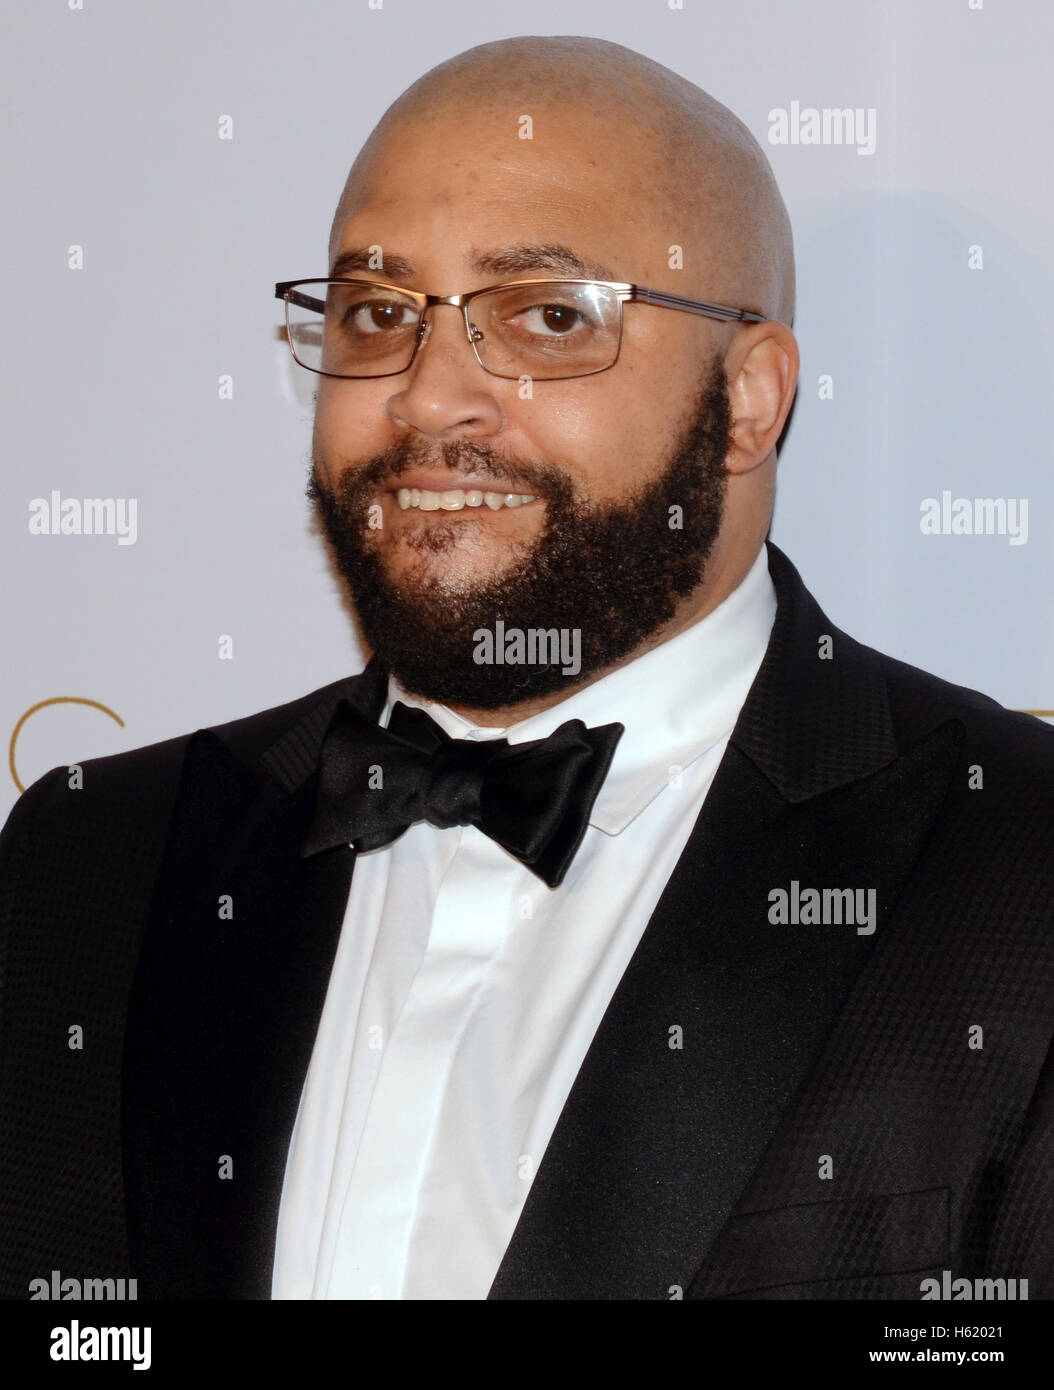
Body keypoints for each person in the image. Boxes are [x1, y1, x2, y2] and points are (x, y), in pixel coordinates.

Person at [1, 35, 1052, 1303]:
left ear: (751, 397)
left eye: (548, 317)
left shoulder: (1014, 866)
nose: (428, 397)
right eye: (377, 313)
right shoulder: (87, 857)